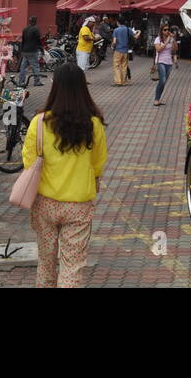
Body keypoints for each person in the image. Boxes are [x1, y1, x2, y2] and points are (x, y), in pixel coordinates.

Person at [21, 63, 108, 288]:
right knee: (72, 265)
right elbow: (98, 163)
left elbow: (28, 161)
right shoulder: (94, 124)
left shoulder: (39, 122)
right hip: (78, 205)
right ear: (82, 89)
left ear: (55, 87)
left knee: (46, 263)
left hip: (44, 202)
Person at [152, 26, 176, 106]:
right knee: (162, 80)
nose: (167, 31)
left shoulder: (171, 39)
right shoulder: (158, 39)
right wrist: (166, 42)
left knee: (164, 82)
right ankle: (156, 100)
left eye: (168, 30)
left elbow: (175, 50)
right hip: (160, 61)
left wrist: (173, 39)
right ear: (162, 31)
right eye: (165, 30)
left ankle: (158, 99)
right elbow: (158, 49)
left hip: (169, 62)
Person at [19, 15, 43, 88]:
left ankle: (21, 82)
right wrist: (41, 49)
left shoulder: (25, 29)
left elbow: (23, 40)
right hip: (33, 50)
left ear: (29, 21)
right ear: (35, 21)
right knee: (35, 66)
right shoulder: (36, 29)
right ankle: (37, 81)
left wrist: (22, 50)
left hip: (25, 51)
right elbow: (38, 40)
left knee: (23, 67)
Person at [112, 16, 134, 85]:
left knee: (116, 65)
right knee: (124, 65)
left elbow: (114, 41)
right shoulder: (128, 29)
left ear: (118, 22)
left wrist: (112, 46)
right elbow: (135, 36)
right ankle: (123, 81)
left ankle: (118, 81)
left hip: (118, 50)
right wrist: (139, 31)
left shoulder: (116, 30)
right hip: (126, 50)